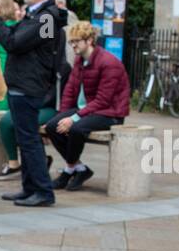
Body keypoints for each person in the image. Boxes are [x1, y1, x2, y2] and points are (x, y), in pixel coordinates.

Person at [0, 0, 67, 207]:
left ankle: (43, 191)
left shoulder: (47, 18)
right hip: (23, 83)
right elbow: (15, 38)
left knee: (29, 140)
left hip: (30, 85)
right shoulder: (35, 15)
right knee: (25, 138)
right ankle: (30, 188)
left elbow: (13, 43)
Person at [44, 21, 130, 191]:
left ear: (89, 40)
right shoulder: (80, 60)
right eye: (71, 42)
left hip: (110, 113)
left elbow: (103, 100)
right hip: (89, 109)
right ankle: (81, 169)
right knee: (53, 126)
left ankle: (69, 170)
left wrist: (73, 118)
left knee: (76, 129)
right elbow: (70, 91)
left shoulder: (108, 63)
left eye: (76, 41)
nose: (73, 45)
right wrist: (62, 116)